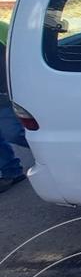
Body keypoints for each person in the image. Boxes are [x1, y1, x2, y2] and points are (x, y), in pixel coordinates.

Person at [0, 19, 27, 193]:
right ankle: (12, 171)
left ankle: (62, 156)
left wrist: (6, 90)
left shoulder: (2, 30)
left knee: (15, 132)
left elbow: (14, 59)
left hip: (5, 92)